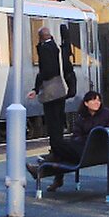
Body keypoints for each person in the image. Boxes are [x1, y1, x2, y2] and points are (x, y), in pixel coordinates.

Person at [27, 90, 109, 191]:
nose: (97, 102)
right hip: (83, 149)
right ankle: (48, 170)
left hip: (94, 151)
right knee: (59, 147)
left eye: (98, 100)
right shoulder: (82, 118)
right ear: (86, 103)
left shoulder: (107, 114)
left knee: (58, 147)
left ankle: (43, 168)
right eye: (93, 100)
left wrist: (106, 127)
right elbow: (76, 135)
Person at [27, 26, 66, 154]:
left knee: (52, 122)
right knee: (58, 122)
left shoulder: (45, 49)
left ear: (40, 37)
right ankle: (59, 149)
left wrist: (36, 88)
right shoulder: (54, 46)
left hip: (51, 93)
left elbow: (46, 71)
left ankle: (55, 150)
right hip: (60, 91)